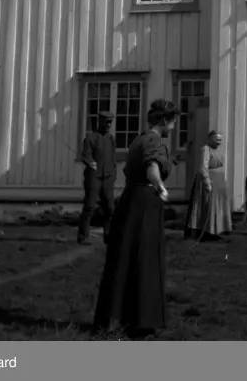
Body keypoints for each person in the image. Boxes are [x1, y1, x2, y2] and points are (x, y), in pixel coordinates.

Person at [93, 99, 179, 338]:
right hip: (144, 203)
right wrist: (160, 187)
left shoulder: (139, 138)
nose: (173, 128)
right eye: (172, 123)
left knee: (124, 259)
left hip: (131, 200)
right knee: (145, 259)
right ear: (164, 121)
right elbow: (152, 167)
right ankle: (141, 322)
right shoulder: (153, 140)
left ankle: (115, 319)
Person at [183, 130, 232, 242]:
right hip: (209, 181)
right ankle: (206, 232)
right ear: (210, 139)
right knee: (208, 206)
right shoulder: (206, 149)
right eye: (217, 139)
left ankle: (216, 230)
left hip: (219, 183)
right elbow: (203, 167)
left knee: (218, 207)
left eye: (220, 140)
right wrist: (207, 182)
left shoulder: (218, 151)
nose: (219, 142)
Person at [77, 111, 116, 245]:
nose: (108, 125)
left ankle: (109, 235)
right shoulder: (91, 138)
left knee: (110, 207)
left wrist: (113, 173)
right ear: (100, 122)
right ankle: (83, 235)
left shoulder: (111, 139)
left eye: (110, 122)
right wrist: (91, 162)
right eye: (106, 122)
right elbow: (85, 155)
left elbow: (113, 157)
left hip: (108, 177)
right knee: (90, 206)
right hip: (93, 177)